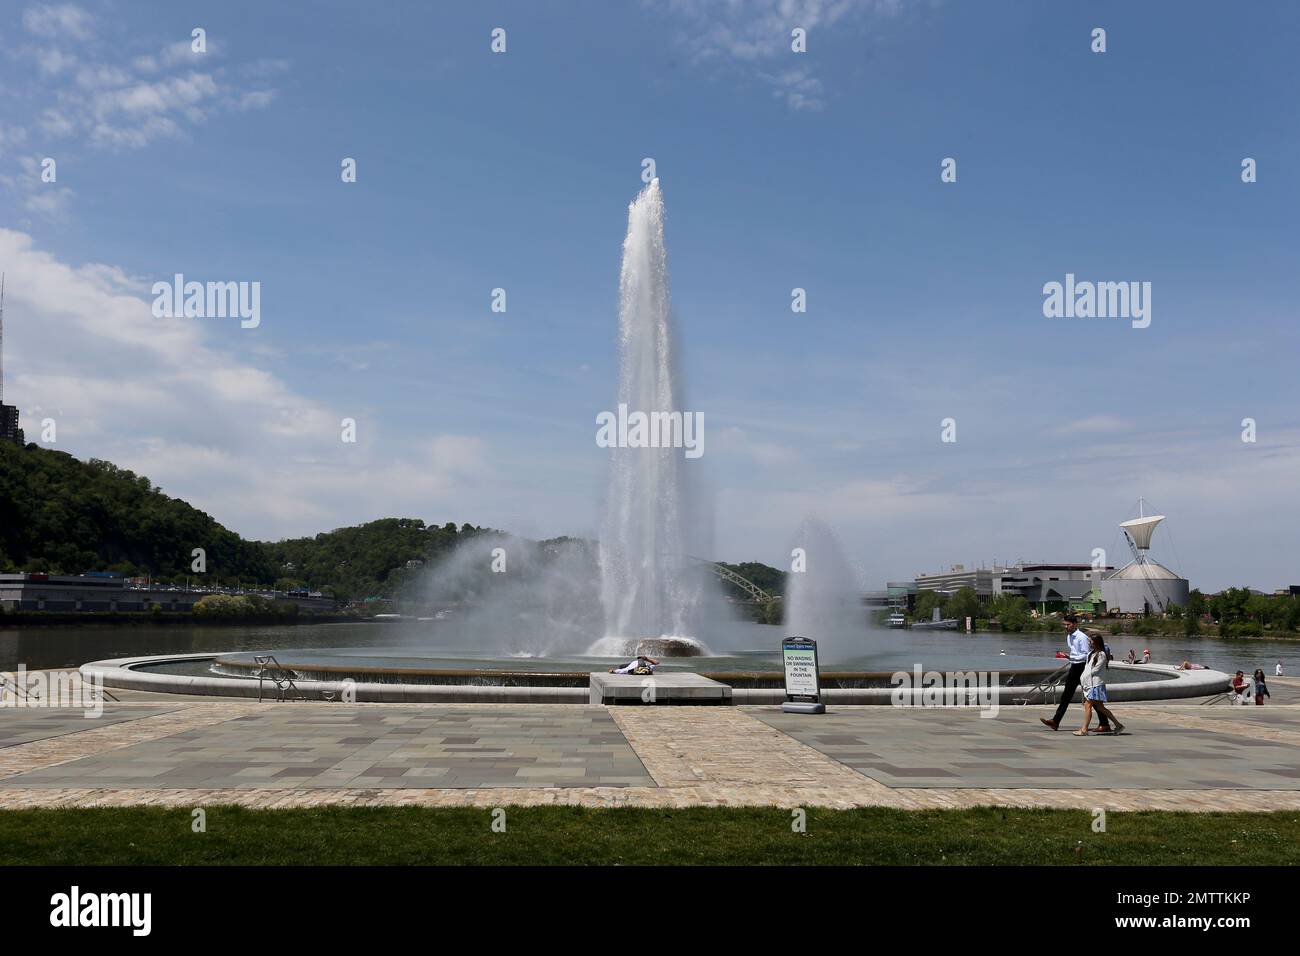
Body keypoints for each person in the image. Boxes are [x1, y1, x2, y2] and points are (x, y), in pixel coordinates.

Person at [1040, 614, 1111, 732]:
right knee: (1066, 695)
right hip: (1074, 667)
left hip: (1082, 668)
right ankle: (1055, 721)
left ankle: (1104, 724)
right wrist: (1070, 657)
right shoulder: (1069, 636)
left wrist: (1071, 657)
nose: (1066, 627)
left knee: (1091, 697)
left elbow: (1086, 655)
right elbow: (1076, 653)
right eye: (1065, 625)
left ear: (1075, 624)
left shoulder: (1081, 637)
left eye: (1068, 625)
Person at [1075, 633, 1125, 736]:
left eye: (1091, 641)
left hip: (1095, 685)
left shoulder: (1101, 654)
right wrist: (1083, 679)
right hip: (1090, 684)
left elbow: (1095, 670)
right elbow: (1087, 668)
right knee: (1100, 707)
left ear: (1096, 642)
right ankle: (1118, 725)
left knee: (1088, 705)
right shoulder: (1091, 654)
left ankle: (1084, 729)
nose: (1089, 643)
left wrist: (1084, 678)